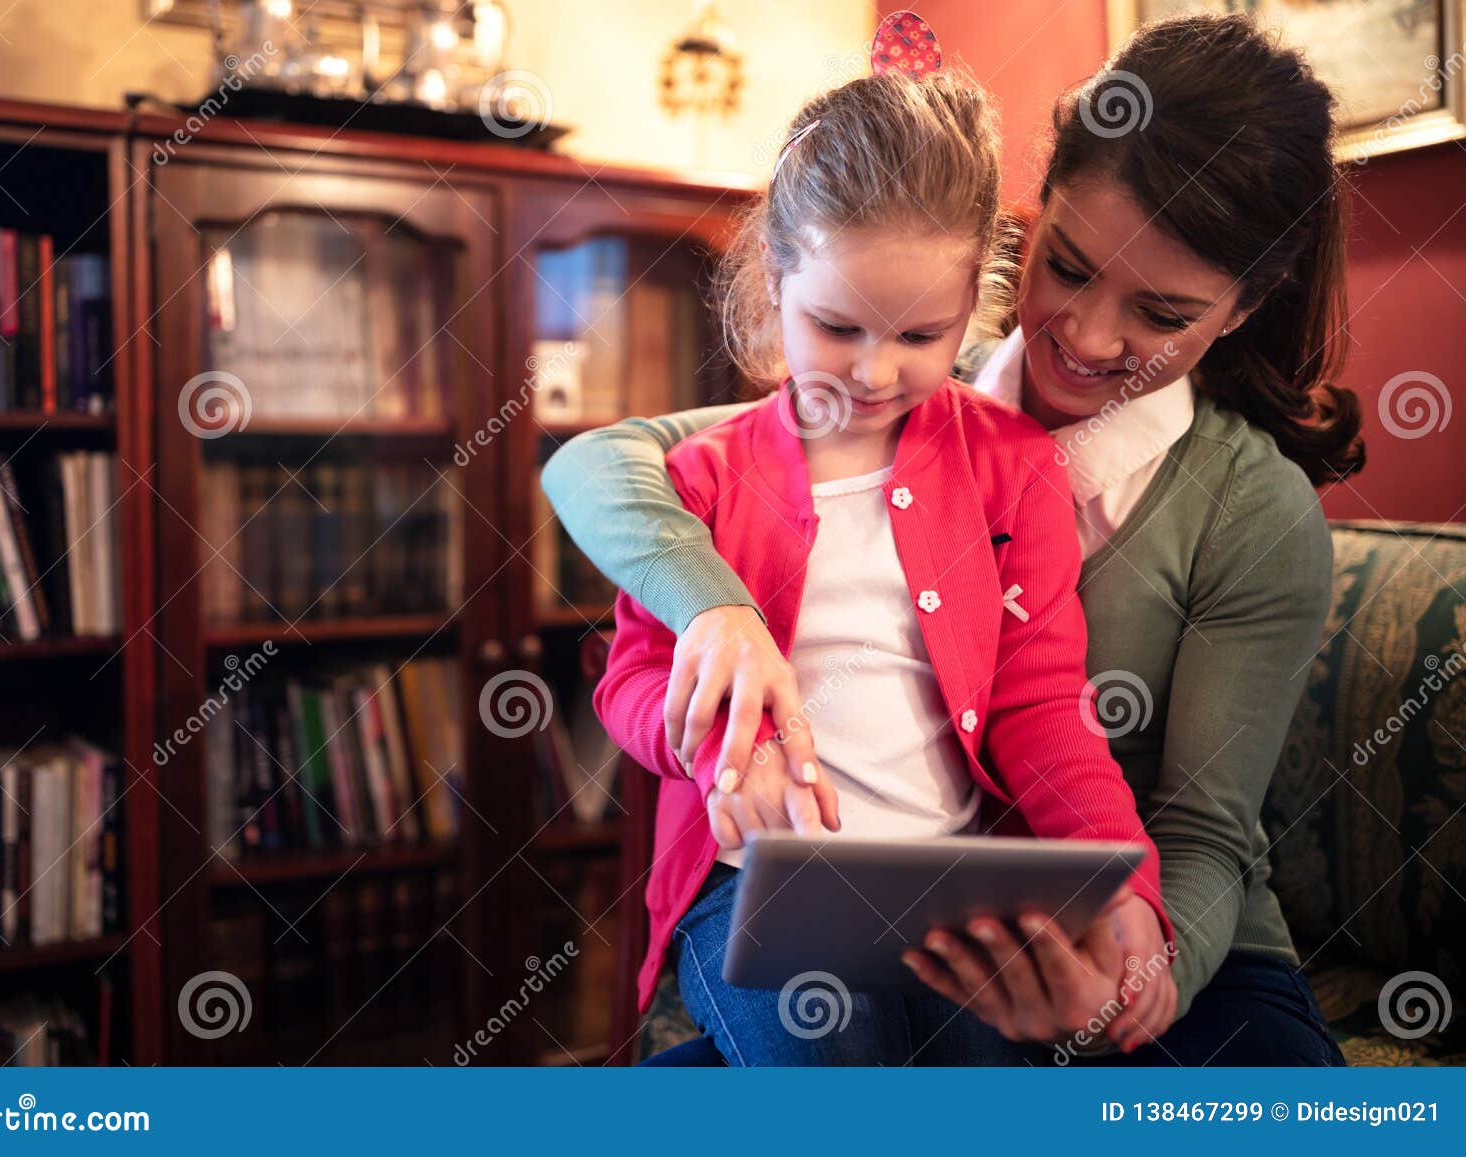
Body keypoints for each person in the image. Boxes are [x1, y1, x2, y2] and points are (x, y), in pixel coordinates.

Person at [547, 13, 1360, 1066]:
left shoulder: (1213, 502)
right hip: (800, 894)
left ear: (1242, 308)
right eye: (1069, 266)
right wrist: (716, 627)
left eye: (1161, 313)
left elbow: (1112, 764)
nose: (1088, 335)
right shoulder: (846, 388)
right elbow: (606, 466)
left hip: (1097, 920)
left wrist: (1133, 936)